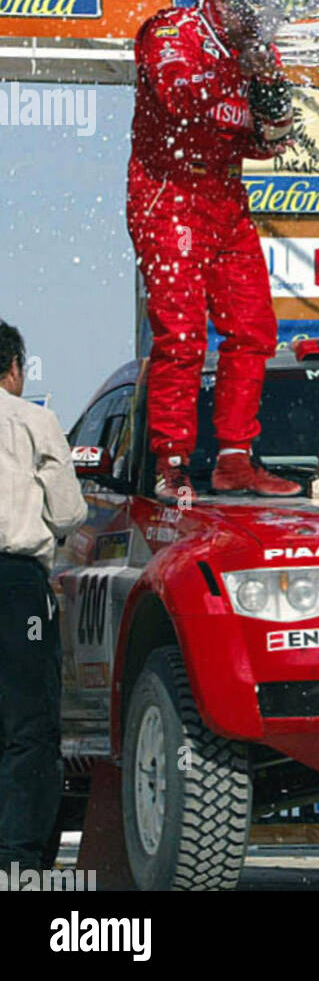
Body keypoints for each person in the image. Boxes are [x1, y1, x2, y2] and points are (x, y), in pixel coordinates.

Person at [128, 0, 302, 500]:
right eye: (255, 14)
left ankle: (235, 460)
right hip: (168, 193)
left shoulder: (259, 50)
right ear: (224, 3)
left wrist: (275, 133)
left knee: (254, 329)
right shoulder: (171, 31)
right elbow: (179, 98)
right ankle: (171, 462)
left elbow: (262, 137)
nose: (262, 28)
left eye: (269, 18)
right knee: (180, 334)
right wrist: (252, 116)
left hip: (226, 197)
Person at [0, 322, 87, 871]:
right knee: (26, 728)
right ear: (14, 369)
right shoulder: (33, 420)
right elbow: (69, 511)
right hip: (15, 587)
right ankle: (17, 863)